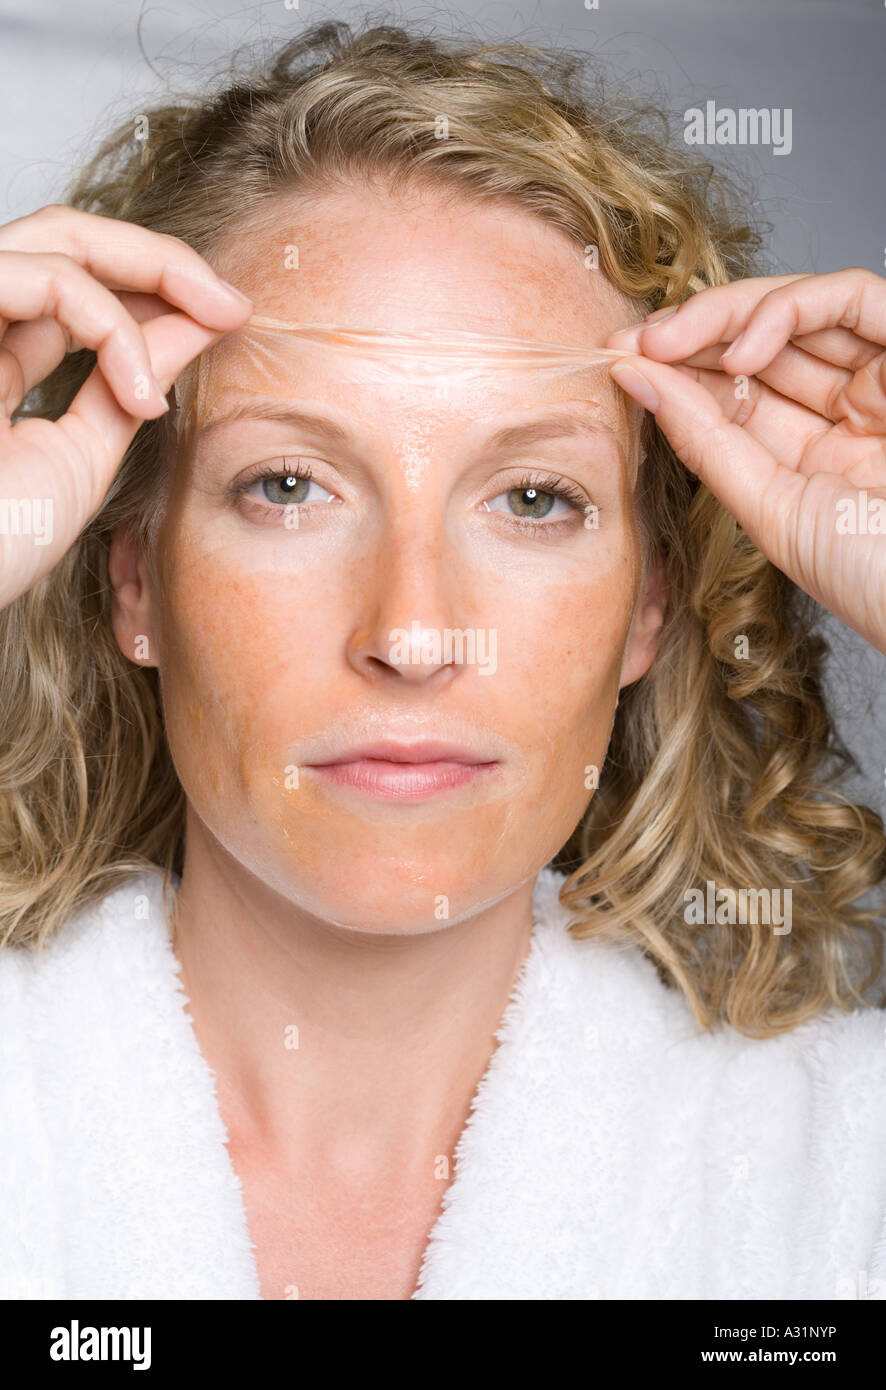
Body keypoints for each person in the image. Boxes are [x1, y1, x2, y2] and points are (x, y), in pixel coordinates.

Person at [1, 19, 885, 1302]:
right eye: (288, 485)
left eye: (532, 499)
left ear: (648, 603)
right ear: (133, 580)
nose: (413, 636)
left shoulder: (840, 1183)